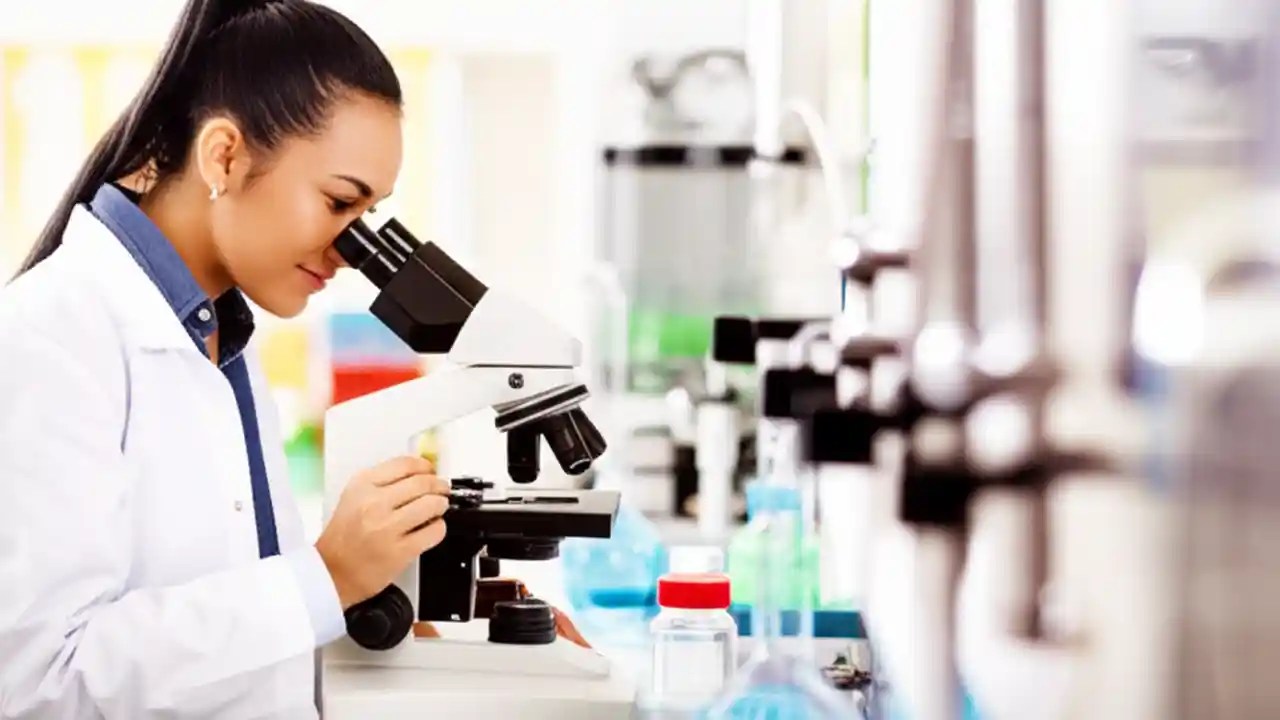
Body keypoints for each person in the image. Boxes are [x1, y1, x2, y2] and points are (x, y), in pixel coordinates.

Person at [0, 1, 564, 717]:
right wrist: (327, 576)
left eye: (368, 218)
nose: (349, 251)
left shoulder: (221, 332)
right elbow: (40, 685)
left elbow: (232, 620)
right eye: (338, 203)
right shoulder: (51, 339)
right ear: (225, 156)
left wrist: (419, 613)